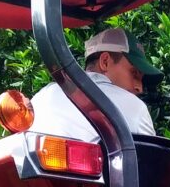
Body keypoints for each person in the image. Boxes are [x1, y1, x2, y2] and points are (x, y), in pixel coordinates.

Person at [30, 27, 160, 142]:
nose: (140, 88)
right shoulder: (135, 107)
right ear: (105, 62)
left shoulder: (43, 96)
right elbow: (150, 166)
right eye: (134, 74)